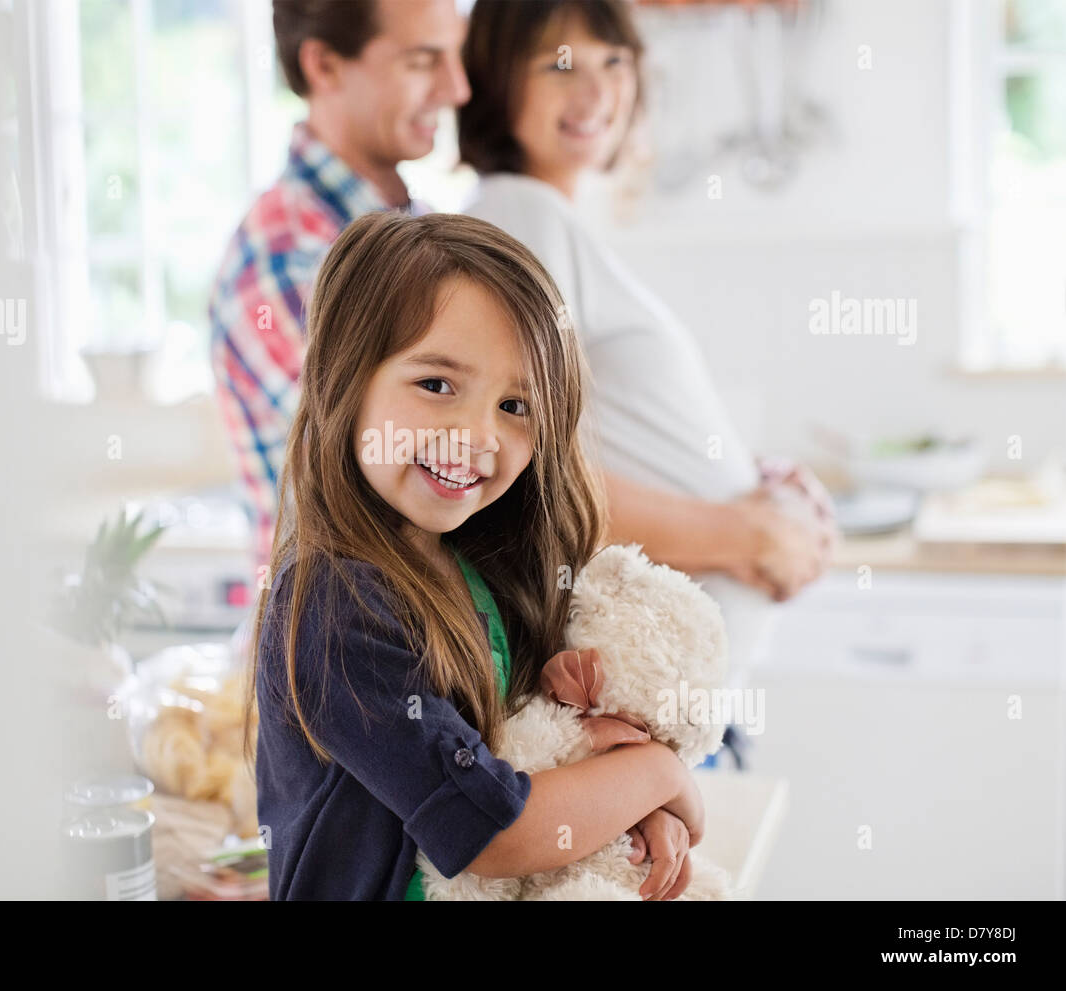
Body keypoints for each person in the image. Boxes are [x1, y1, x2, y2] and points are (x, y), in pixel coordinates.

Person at [247, 210, 705, 900]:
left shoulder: (480, 567)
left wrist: (634, 814)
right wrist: (662, 776)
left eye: (516, 404)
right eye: (436, 385)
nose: (476, 435)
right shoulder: (334, 603)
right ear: (347, 379)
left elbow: (530, 760)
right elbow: (492, 829)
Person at [457, 0, 838, 767]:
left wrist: (755, 486)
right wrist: (749, 534)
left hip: (667, 718)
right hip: (636, 728)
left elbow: (606, 433)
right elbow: (523, 480)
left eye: (613, 61)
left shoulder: (555, 220)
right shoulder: (519, 213)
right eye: (559, 64)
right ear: (498, 80)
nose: (595, 92)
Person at [208, 0, 471, 577]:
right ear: (325, 65)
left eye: (457, 54)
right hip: (343, 650)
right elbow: (390, 474)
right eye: (423, 60)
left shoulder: (419, 225)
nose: (458, 88)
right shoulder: (285, 259)